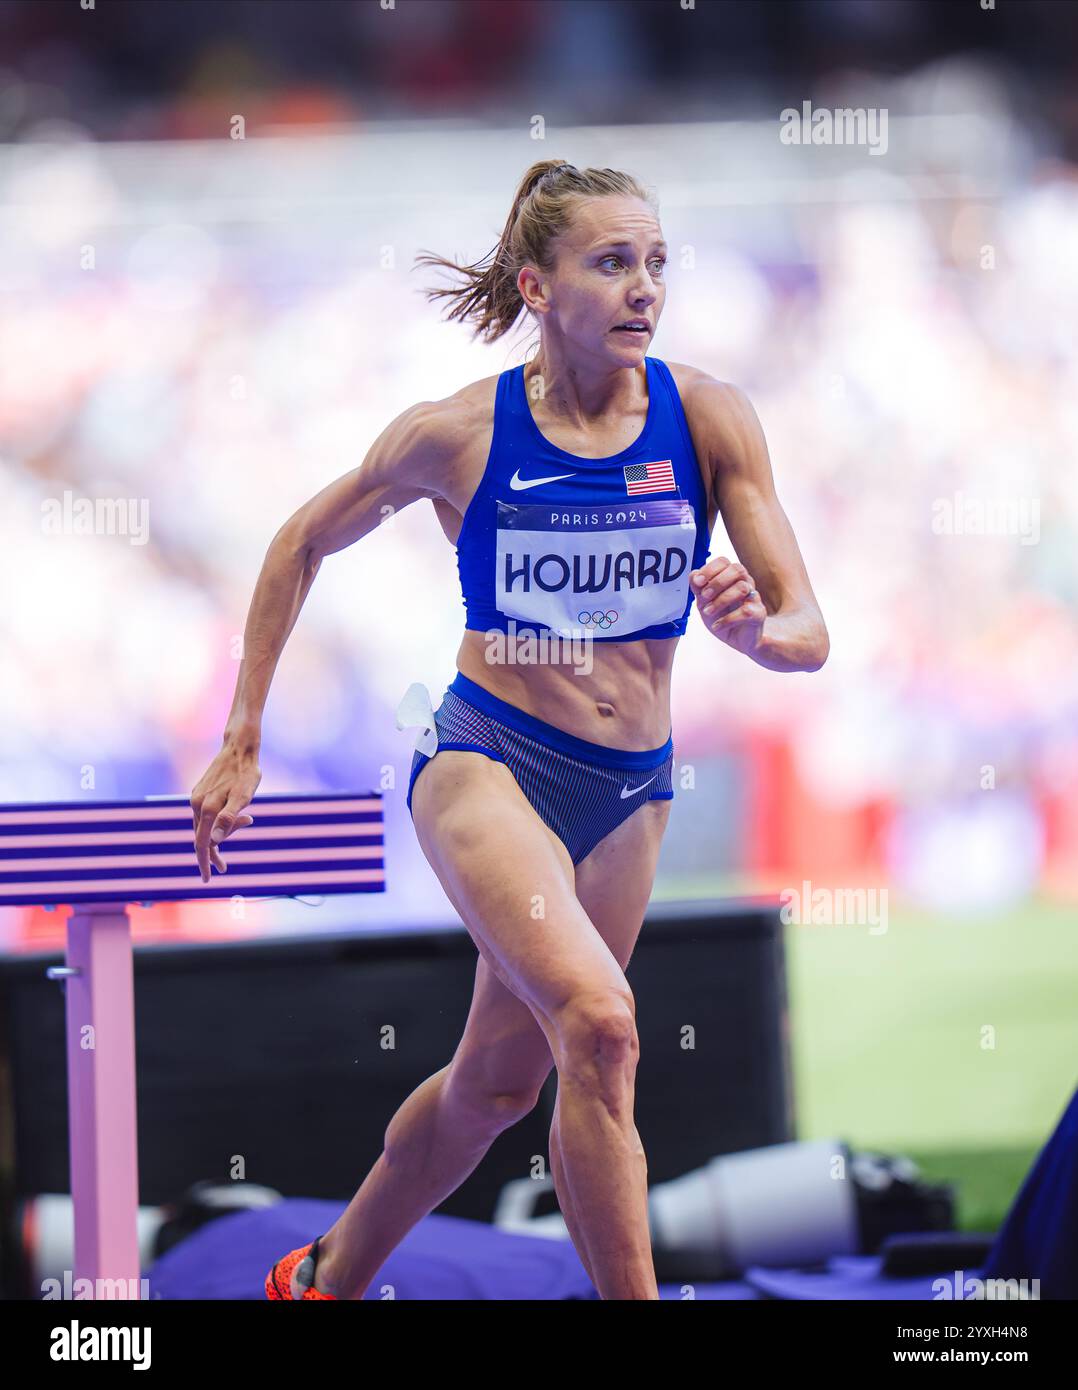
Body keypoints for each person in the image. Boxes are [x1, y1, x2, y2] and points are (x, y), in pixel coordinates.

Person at [191, 160, 828, 1301]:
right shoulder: (455, 435)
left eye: (656, 262)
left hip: (632, 789)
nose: (645, 287)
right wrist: (242, 737)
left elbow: (806, 631)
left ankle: (325, 1276)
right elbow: (299, 541)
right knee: (602, 1024)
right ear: (537, 286)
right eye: (611, 262)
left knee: (493, 1088)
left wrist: (753, 630)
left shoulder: (709, 417)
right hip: (489, 766)